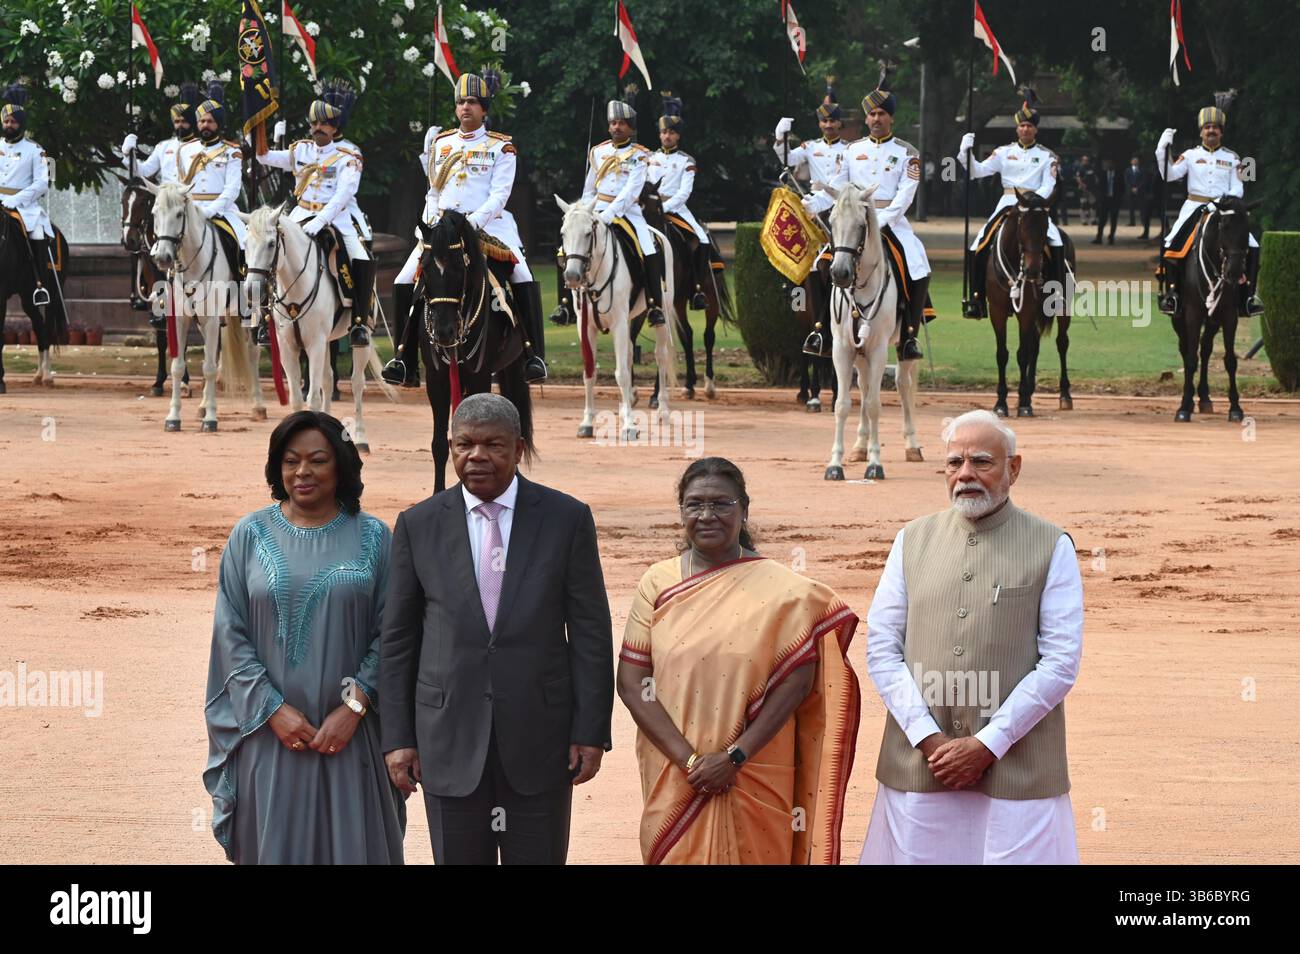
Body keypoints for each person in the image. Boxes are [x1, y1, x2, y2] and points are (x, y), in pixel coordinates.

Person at [380, 393, 614, 865]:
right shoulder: (418, 524)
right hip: (447, 740)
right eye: (464, 444)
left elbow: (590, 631)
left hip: (540, 741)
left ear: (519, 448)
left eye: (493, 445)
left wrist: (591, 731)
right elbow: (399, 639)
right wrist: (399, 738)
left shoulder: (566, 519)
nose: (477, 456)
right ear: (450, 447)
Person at [861, 409, 1083, 864]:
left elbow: (1060, 664)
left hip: (1020, 767)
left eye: (981, 462)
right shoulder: (911, 540)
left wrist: (987, 744)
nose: (965, 474)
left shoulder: (1051, 544)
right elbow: (882, 649)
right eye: (954, 463)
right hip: (921, 763)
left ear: (1013, 468)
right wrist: (929, 739)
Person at [618, 457, 861, 865]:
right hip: (675, 774)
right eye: (695, 504)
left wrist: (735, 758)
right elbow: (632, 683)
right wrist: (691, 762)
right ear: (681, 511)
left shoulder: (786, 592)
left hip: (756, 769)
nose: (707, 515)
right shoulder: (657, 583)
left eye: (721, 504)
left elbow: (797, 684)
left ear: (744, 510)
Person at [203, 410, 405, 864]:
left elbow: (392, 634)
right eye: (291, 461)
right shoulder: (249, 535)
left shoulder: (375, 537)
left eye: (318, 460)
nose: (302, 472)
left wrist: (354, 708)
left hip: (351, 740)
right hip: (271, 738)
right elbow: (230, 633)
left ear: (342, 465)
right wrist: (273, 710)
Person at [387, 72, 547, 384]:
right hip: (442, 228)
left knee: (523, 275)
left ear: (483, 108)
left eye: (472, 102)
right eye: (461, 102)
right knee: (403, 279)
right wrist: (429, 226)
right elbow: (433, 193)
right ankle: (403, 360)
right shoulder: (442, 143)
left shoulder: (501, 147)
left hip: (489, 227)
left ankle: (533, 356)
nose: (465, 107)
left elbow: (499, 197)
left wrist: (467, 225)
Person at [804, 66, 932, 362]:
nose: (877, 119)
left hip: (891, 221)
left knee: (917, 263)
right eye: (872, 114)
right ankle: (821, 331)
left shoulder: (908, 153)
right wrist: (812, 203)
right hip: (854, 222)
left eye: (882, 114)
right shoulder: (851, 150)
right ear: (866, 118)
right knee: (817, 265)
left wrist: (880, 220)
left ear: (891, 118)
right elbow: (836, 187)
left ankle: (909, 336)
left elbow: (905, 196)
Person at [256, 90, 373, 347]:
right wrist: (260, 127)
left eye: (324, 124)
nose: (318, 128)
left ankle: (359, 322)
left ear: (335, 127)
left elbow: (344, 195)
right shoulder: (300, 149)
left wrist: (320, 222)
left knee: (361, 258)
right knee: (267, 252)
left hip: (335, 219)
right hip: (300, 215)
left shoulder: (348, 156)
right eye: (314, 123)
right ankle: (264, 318)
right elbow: (263, 157)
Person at [958, 88, 1068, 319]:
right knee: (977, 244)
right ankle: (977, 299)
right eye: (1022, 126)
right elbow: (977, 171)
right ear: (1017, 128)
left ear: (1036, 129)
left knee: (1056, 241)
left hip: (1036, 206)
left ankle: (1057, 297)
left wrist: (1032, 201)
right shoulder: (1003, 152)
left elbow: (1049, 185)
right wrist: (965, 153)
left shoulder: (1048, 156)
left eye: (1029, 126)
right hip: (1007, 203)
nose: (1025, 129)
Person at [1155, 91, 1263, 316]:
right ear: (1201, 132)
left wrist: (1221, 204)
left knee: (1252, 246)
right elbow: (1170, 175)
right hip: (1194, 208)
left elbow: (1238, 188)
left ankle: (1248, 297)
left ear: (1221, 132)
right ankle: (1173, 294)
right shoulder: (1190, 155)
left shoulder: (1233, 158)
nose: (1211, 130)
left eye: (1215, 127)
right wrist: (1162, 150)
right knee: (1171, 242)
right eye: (1207, 127)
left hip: (1225, 210)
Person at [581, 90, 667, 327]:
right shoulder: (598, 151)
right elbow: (589, 188)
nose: (616, 127)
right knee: (567, 247)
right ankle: (566, 305)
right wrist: (585, 211)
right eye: (613, 123)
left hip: (627, 212)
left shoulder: (639, 155)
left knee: (648, 248)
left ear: (631, 128)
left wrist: (609, 215)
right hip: (596, 209)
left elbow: (631, 192)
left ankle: (654, 305)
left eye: (621, 123)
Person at [0, 84, 65, 320]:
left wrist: (15, 199)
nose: (9, 125)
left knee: (38, 233)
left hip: (24, 207)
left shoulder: (35, 150)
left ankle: (40, 285)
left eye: (13, 122)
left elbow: (42, 183)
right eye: (6, 121)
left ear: (21, 123)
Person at [646, 93, 712, 311]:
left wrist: (665, 207)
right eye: (664, 132)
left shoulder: (686, 160)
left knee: (702, 239)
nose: (667, 136)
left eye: (672, 133)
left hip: (676, 209)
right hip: (650, 209)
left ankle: (697, 290)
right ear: (660, 134)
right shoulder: (649, 158)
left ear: (678, 136)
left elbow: (684, 193)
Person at [174, 83, 246, 274]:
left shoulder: (232, 152)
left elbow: (232, 189)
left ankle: (241, 282)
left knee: (243, 244)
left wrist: (211, 210)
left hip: (223, 212)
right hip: (191, 211)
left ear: (218, 124)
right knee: (166, 242)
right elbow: (180, 186)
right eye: (202, 121)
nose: (205, 125)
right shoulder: (185, 150)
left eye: (210, 121)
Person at [1091, 156, 1122, 245]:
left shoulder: (1118, 175)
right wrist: (1099, 198)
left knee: (1113, 219)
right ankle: (1099, 237)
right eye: (1107, 163)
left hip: (1114, 200)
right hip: (1104, 200)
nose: (1108, 165)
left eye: (1110, 163)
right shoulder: (1103, 175)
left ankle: (1111, 237)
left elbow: (1122, 188)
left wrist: (1119, 198)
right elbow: (1099, 188)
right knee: (1102, 219)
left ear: (1114, 164)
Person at [1074, 154, 1095, 226]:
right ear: (1082, 161)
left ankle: (1093, 220)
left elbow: (1094, 177)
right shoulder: (1080, 168)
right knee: (1083, 205)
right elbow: (1078, 178)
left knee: (1093, 204)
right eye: (1084, 160)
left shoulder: (1091, 168)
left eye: (1087, 160)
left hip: (1091, 189)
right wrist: (1082, 185)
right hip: (1083, 189)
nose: (1086, 161)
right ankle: (1083, 220)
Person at [1124, 155, 1145, 227]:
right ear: (1131, 162)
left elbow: (1143, 180)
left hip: (1139, 191)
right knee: (1131, 207)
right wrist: (1131, 188)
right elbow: (1126, 180)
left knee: (1141, 207)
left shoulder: (1141, 170)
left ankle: (1143, 221)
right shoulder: (1128, 170)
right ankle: (1132, 222)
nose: (1135, 162)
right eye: (1134, 160)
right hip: (1130, 191)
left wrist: (1137, 188)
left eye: (1137, 161)